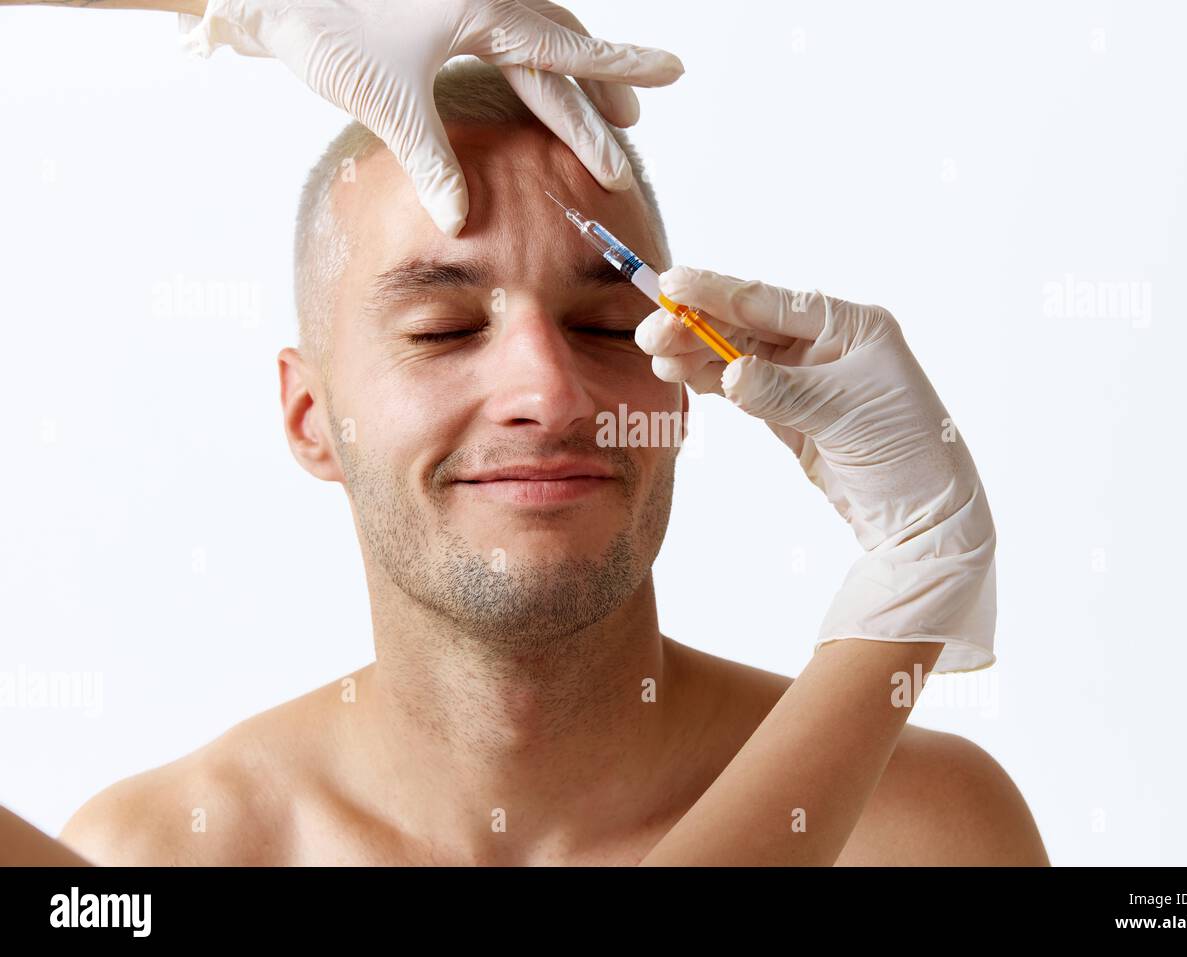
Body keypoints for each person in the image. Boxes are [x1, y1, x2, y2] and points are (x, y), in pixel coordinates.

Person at [2, 0, 1047, 867]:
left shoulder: (919, 832)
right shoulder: (160, 858)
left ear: (683, 393)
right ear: (309, 417)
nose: (547, 393)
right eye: (444, 327)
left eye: (605, 325)